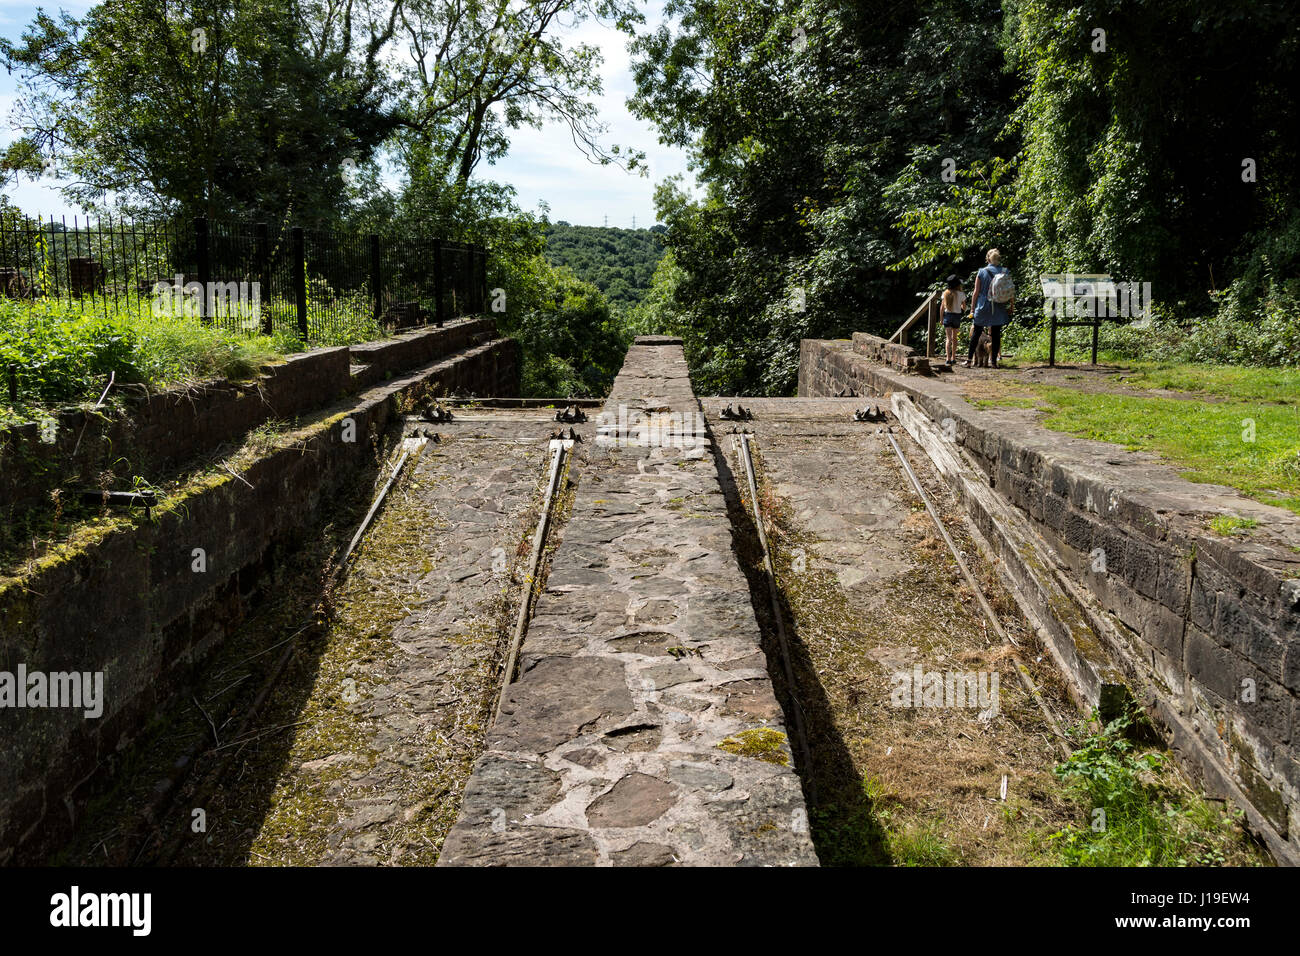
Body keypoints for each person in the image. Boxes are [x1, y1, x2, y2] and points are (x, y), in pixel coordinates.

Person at [964, 248, 1014, 368]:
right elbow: (1011, 290)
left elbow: (976, 292)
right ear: (998, 258)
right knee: (996, 334)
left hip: (983, 306)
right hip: (998, 306)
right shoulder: (1005, 271)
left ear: (988, 258)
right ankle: (994, 362)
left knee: (976, 333)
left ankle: (969, 360)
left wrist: (972, 309)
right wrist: (1012, 306)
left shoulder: (982, 272)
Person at [940, 274, 965, 365]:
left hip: (947, 316)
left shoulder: (945, 293)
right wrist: (960, 307)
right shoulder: (961, 294)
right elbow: (964, 307)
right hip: (957, 316)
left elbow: (942, 308)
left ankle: (948, 359)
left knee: (948, 339)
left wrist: (941, 319)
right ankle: (954, 357)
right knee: (955, 338)